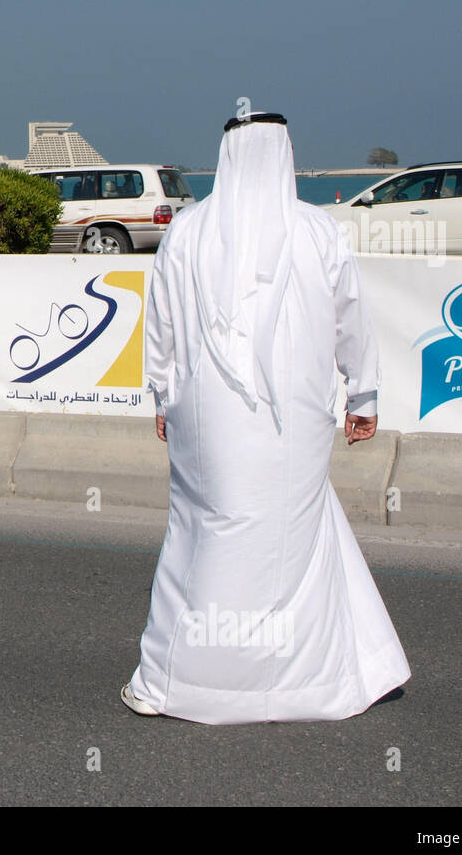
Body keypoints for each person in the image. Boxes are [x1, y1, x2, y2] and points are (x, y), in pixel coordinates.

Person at [121, 112, 410, 724]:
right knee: (294, 530)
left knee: (207, 531)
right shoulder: (318, 231)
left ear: (225, 157)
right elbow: (350, 319)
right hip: (298, 415)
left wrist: (161, 398)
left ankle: (185, 681)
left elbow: (162, 328)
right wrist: (363, 396)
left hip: (207, 415)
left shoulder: (188, 230)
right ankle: (310, 679)